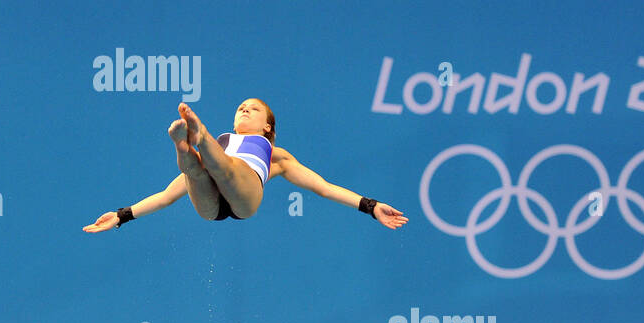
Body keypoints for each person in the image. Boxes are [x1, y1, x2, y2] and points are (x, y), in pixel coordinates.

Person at [83, 99, 407, 231]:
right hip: (211, 205)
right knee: (192, 169)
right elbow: (167, 195)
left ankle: (198, 136)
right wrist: (122, 216)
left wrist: (371, 206)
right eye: (241, 108)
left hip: (243, 197)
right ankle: (183, 145)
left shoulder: (276, 156)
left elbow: (323, 188)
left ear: (268, 126)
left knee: (221, 165)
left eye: (253, 109)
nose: (245, 110)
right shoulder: (229, 139)